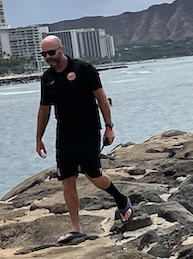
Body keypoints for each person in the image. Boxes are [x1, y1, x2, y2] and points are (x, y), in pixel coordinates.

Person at [35, 35, 133, 243]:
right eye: (43, 54)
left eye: (51, 52)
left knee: (94, 176)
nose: (47, 57)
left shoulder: (83, 69)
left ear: (61, 49)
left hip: (88, 130)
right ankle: (75, 228)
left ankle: (121, 199)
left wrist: (109, 127)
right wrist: (39, 138)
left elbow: (101, 98)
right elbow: (44, 109)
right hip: (64, 135)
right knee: (67, 180)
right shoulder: (47, 78)